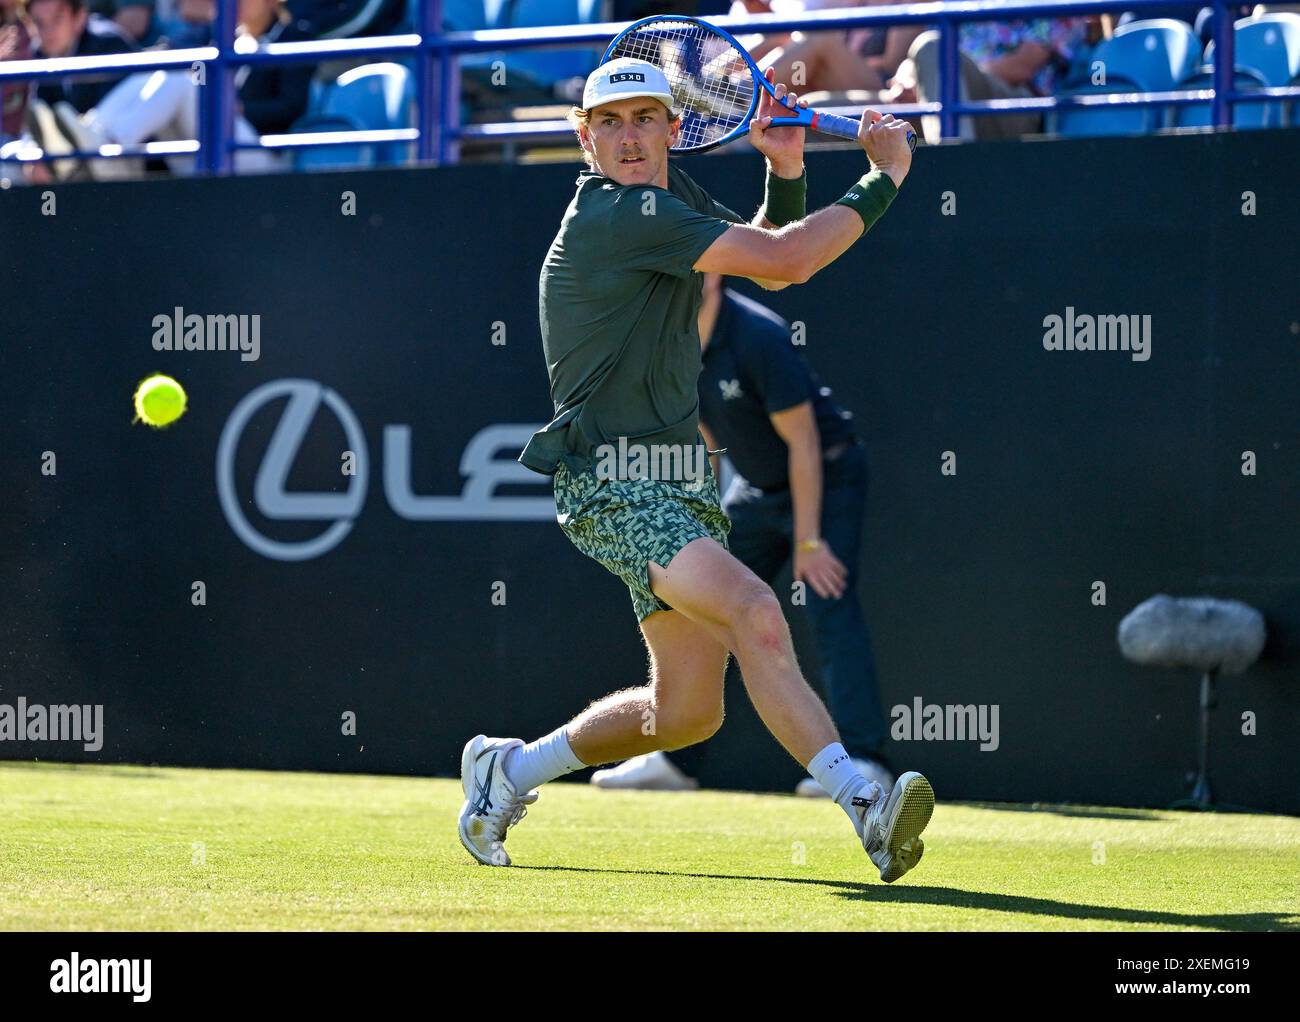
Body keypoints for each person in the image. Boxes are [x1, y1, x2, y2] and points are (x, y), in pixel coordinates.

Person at [458, 55, 935, 883]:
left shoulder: (668, 197)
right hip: (611, 481)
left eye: (645, 118)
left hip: (682, 481)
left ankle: (508, 770)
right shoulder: (618, 213)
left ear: (674, 129)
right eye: (609, 123)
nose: (628, 137)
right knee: (756, 610)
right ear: (584, 139)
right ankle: (865, 803)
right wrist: (884, 176)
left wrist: (785, 171)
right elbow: (787, 262)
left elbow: (761, 254)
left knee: (685, 714)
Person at [590, 272, 895, 797]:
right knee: (710, 602)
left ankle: (865, 761)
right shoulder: (674, 340)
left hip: (826, 477)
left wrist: (808, 542)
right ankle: (676, 762)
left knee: (829, 605)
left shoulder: (759, 337)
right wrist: (700, 518)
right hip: (756, 490)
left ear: (713, 277)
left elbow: (803, 442)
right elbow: (707, 434)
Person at [51, 0, 315, 177]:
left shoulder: (293, 37)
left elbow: (292, 107)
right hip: (211, 152)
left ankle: (108, 149)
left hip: (261, 156)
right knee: (157, 71)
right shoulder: (223, 36)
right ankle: (93, 134)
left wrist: (241, 109)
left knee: (177, 78)